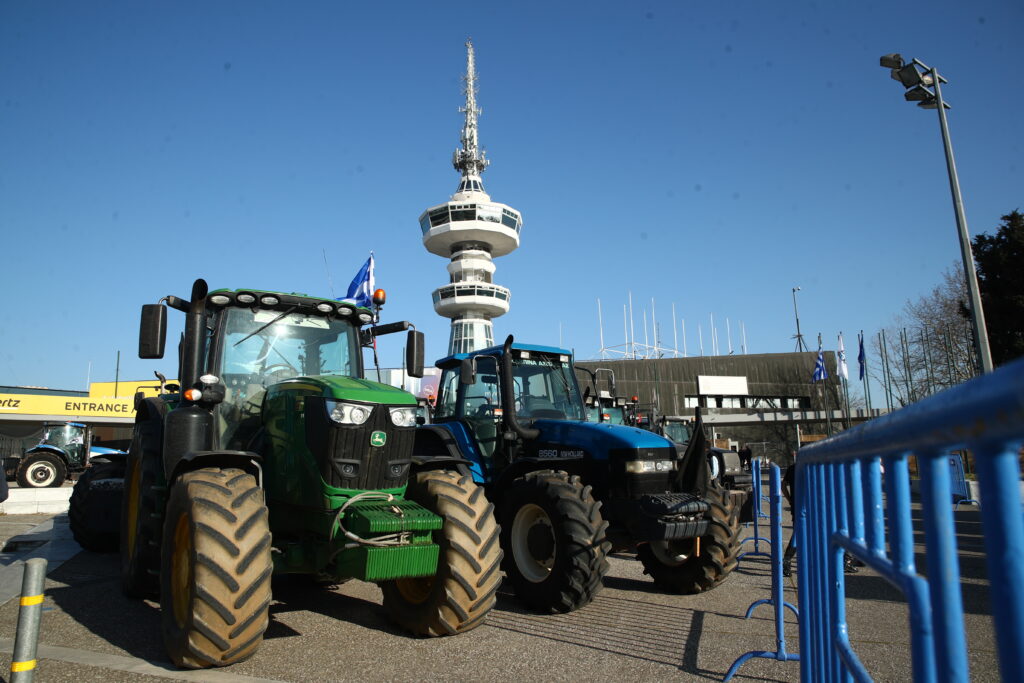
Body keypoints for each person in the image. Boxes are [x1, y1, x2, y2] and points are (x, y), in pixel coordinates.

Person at [781, 454, 857, 577]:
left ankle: (787, 561)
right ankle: (842, 560)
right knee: (830, 532)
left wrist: (790, 499)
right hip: (815, 507)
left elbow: (783, 485)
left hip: (798, 506)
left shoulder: (793, 468)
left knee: (798, 534)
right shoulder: (816, 468)